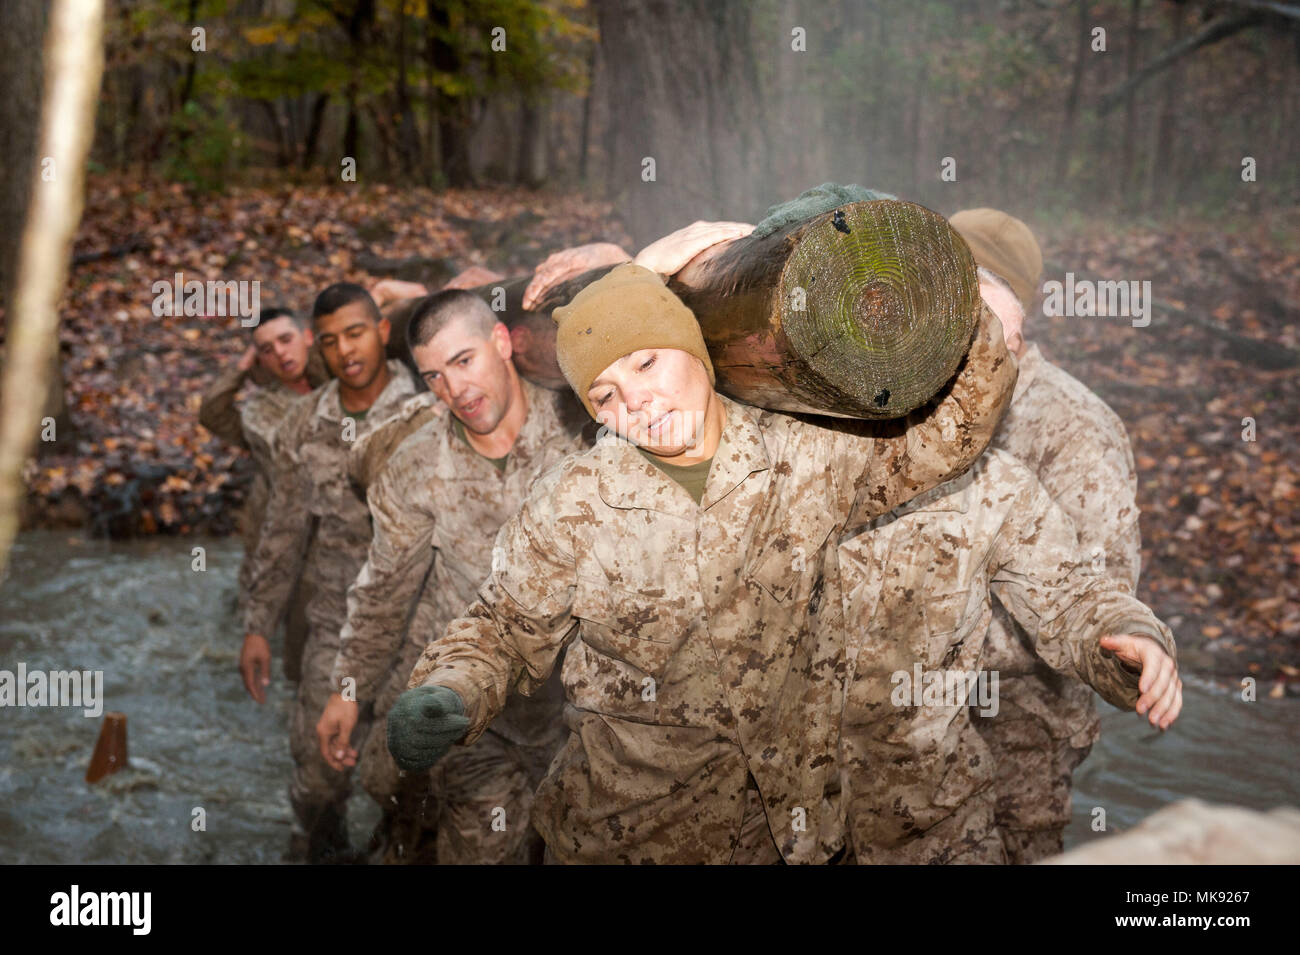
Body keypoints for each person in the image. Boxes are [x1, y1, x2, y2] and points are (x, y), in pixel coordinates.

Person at [386, 260, 1017, 864]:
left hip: (789, 836)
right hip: (629, 837)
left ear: (694, 347)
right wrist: (449, 689)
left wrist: (955, 294)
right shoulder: (574, 500)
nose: (637, 401)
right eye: (605, 393)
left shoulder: (808, 452)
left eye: (648, 362)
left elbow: (955, 430)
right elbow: (503, 627)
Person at [315, 289, 587, 864]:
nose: (454, 390)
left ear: (501, 342)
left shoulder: (583, 430)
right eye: (434, 376)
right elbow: (384, 590)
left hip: (580, 712)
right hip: (473, 711)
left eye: (464, 362)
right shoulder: (415, 468)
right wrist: (348, 690)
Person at [835, 447, 1181, 864]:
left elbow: (1069, 593)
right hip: (766, 825)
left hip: (932, 820)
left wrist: (1132, 636)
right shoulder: (763, 455)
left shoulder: (989, 481)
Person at [951, 207, 1146, 862]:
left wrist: (924, 635)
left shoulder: (1072, 424)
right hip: (925, 727)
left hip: (1021, 732)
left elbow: (1098, 595)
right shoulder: (935, 392)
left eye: (978, 289)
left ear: (1016, 305)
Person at [239, 283, 416, 863]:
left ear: (382, 331)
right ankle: (318, 839)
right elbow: (283, 532)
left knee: (415, 772)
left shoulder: (431, 404)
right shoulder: (304, 421)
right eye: (332, 340)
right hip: (337, 621)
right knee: (317, 770)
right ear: (320, 346)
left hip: (425, 620)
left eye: (357, 333)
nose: (346, 351)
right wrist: (258, 624)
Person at [198, 307, 326, 680]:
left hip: (331, 532)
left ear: (307, 337)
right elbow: (212, 412)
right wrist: (240, 369)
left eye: (286, 340)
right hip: (275, 520)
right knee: (273, 604)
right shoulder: (261, 411)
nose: (281, 354)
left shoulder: (337, 380)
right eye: (267, 350)